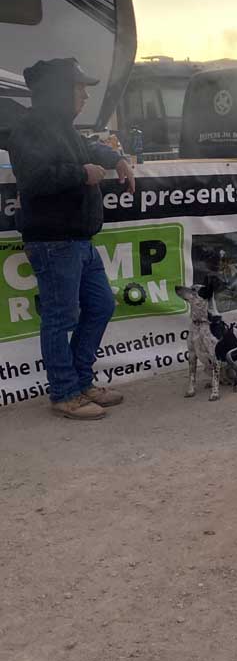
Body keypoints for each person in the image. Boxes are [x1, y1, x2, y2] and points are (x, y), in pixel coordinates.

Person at [8, 58, 135, 420]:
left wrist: (117, 159)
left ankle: (80, 382)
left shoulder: (61, 127)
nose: (83, 95)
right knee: (60, 318)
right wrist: (80, 174)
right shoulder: (30, 128)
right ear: (57, 92)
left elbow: (89, 148)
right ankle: (64, 393)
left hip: (78, 240)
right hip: (53, 242)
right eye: (78, 88)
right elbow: (34, 180)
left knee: (100, 307)